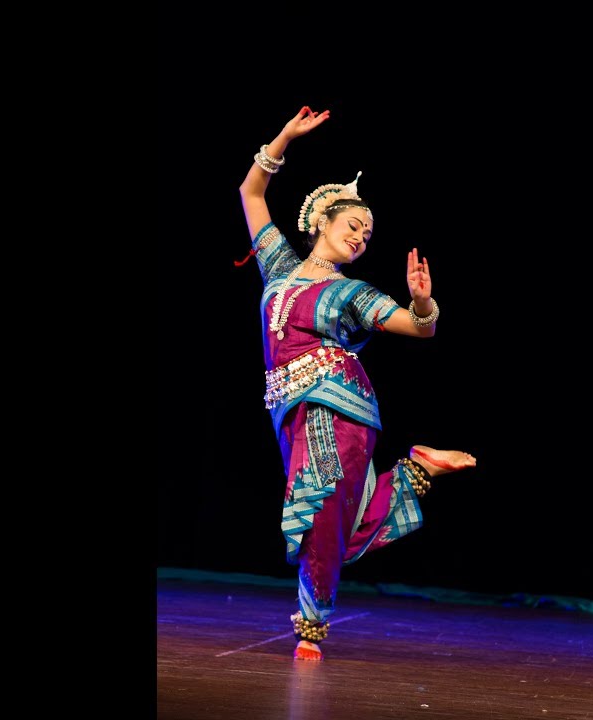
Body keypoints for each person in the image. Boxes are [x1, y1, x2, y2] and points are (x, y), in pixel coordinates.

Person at [237, 106, 477, 661]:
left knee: (321, 513)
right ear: (322, 220)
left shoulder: (353, 293)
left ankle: (311, 629)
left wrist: (422, 303)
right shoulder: (279, 266)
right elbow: (251, 194)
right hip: (290, 408)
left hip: (338, 404)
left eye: (368, 235)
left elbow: (418, 328)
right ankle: (416, 471)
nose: (361, 239)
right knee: (334, 519)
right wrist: (285, 137)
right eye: (353, 227)